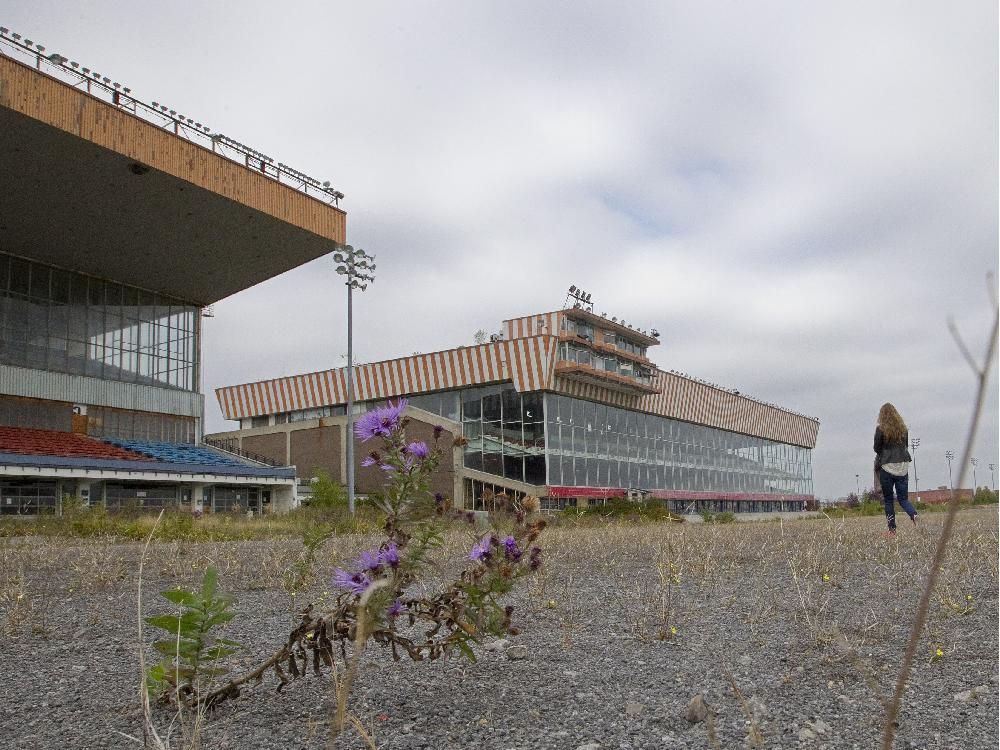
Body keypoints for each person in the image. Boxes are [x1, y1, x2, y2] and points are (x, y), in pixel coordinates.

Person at [873, 402, 918, 534]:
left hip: (887, 466)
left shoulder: (880, 429)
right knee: (903, 498)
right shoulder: (903, 429)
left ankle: (892, 530)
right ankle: (913, 514)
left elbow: (876, 448)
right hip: (903, 465)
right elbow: (906, 446)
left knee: (888, 499)